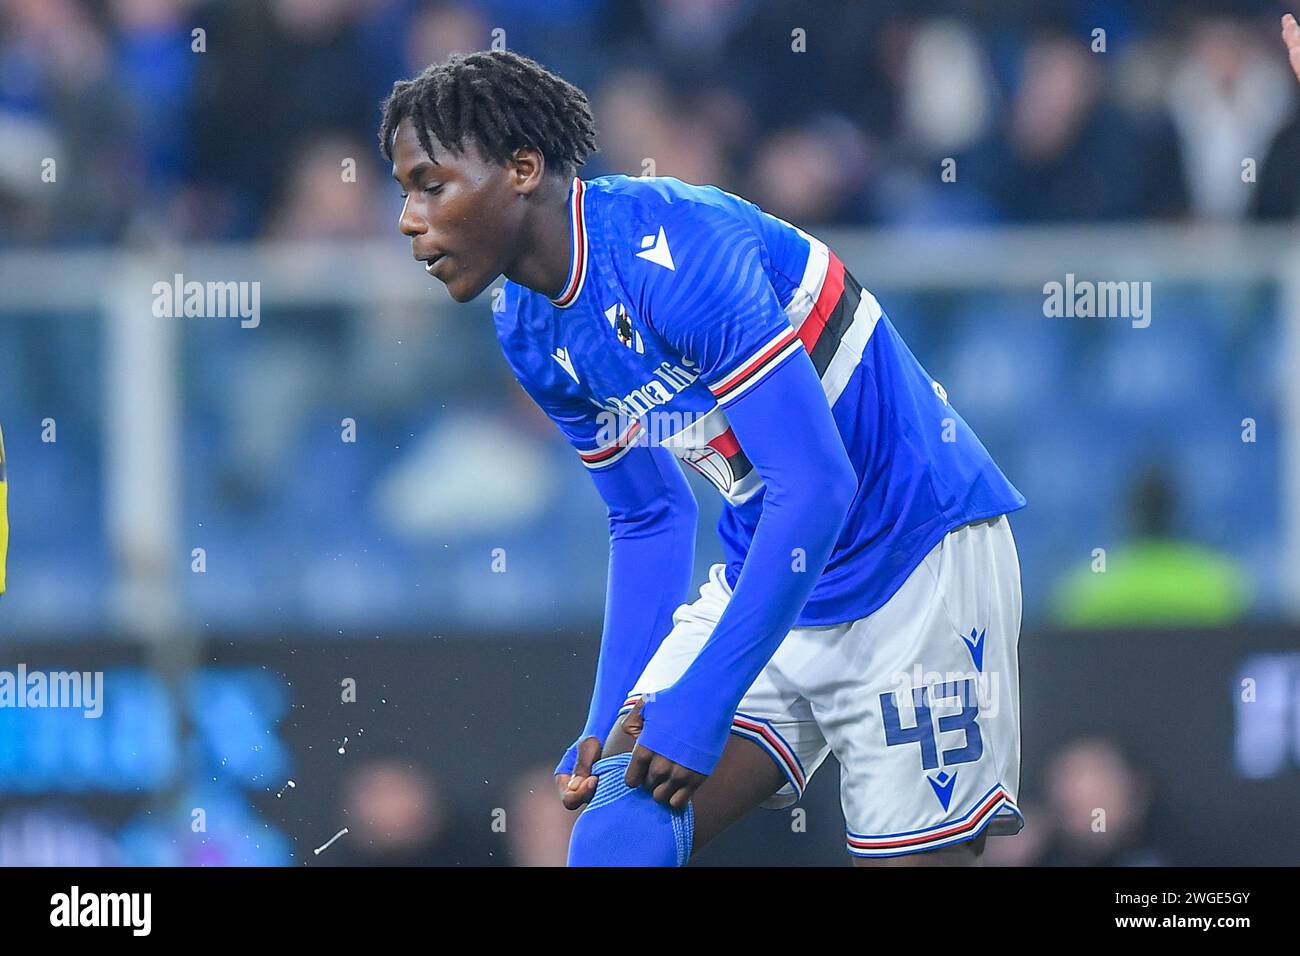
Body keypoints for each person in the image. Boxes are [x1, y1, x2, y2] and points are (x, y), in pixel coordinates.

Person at [379, 50, 1026, 866]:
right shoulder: (528, 328)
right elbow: (648, 515)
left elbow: (822, 484)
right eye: (406, 190)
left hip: (913, 561)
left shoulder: (681, 250)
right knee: (614, 835)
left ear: (521, 167)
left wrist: (706, 698)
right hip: (775, 567)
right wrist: (603, 716)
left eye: (430, 185)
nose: (408, 217)